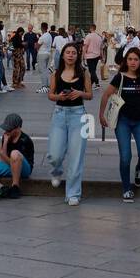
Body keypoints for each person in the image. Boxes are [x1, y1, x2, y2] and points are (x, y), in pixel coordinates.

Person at [98, 47, 140, 202]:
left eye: (136, 59)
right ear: (126, 61)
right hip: (123, 121)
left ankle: (139, 168)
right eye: (130, 59)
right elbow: (106, 95)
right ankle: (126, 188)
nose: (132, 62)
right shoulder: (120, 77)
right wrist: (101, 114)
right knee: (125, 156)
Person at [47, 41, 92, 206]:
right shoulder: (56, 73)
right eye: (68, 52)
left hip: (79, 115)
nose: (71, 55)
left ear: (77, 55)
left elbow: (90, 95)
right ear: (63, 55)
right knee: (54, 154)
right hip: (59, 114)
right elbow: (50, 95)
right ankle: (56, 169)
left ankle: (73, 193)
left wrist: (80, 93)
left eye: (74, 53)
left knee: (76, 156)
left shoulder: (84, 72)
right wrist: (59, 97)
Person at [0, 112, 34, 197]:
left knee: (14, 153)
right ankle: (1, 187)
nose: (6, 132)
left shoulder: (25, 140)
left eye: (9, 130)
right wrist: (5, 142)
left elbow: (15, 162)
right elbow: (3, 161)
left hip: (23, 169)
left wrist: (0, 152)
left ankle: (15, 186)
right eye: (5, 129)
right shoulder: (6, 136)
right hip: (10, 166)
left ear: (17, 128)